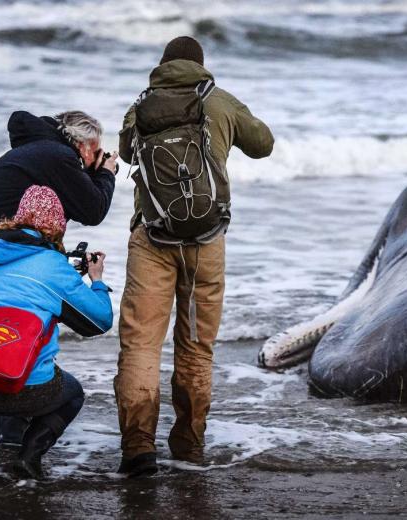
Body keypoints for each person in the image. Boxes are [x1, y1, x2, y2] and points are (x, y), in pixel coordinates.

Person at [115, 36, 274, 477]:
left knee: (141, 345)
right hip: (206, 239)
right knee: (196, 347)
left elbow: (128, 151)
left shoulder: (141, 106)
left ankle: (137, 447)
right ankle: (188, 445)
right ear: (200, 66)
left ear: (163, 65)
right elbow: (264, 144)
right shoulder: (218, 101)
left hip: (152, 238)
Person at [0, 186, 113, 479]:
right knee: (72, 392)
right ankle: (28, 458)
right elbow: (100, 320)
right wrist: (96, 281)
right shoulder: (53, 267)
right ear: (57, 225)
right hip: (25, 390)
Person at [0, 110, 118, 280]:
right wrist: (106, 173)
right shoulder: (59, 157)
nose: (95, 159)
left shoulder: (38, 152)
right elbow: (93, 211)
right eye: (96, 152)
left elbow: (32, 241)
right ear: (84, 146)